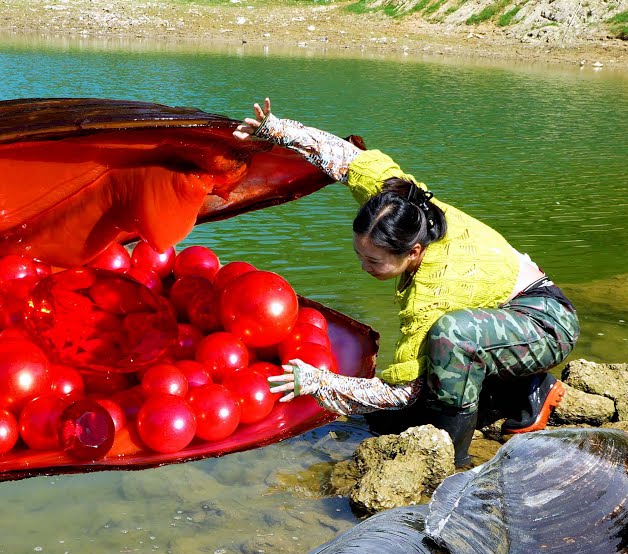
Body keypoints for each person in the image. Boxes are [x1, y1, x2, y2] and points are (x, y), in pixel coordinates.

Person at [235, 99, 579, 467]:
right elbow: (346, 157)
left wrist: (322, 383)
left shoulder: (436, 289)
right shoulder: (399, 201)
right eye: (359, 254)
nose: (363, 267)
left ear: (413, 252)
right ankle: (521, 392)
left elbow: (401, 391)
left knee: (449, 339)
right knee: (406, 398)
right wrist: (276, 129)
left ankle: (454, 454)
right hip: (503, 319)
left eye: (374, 261)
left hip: (546, 324)